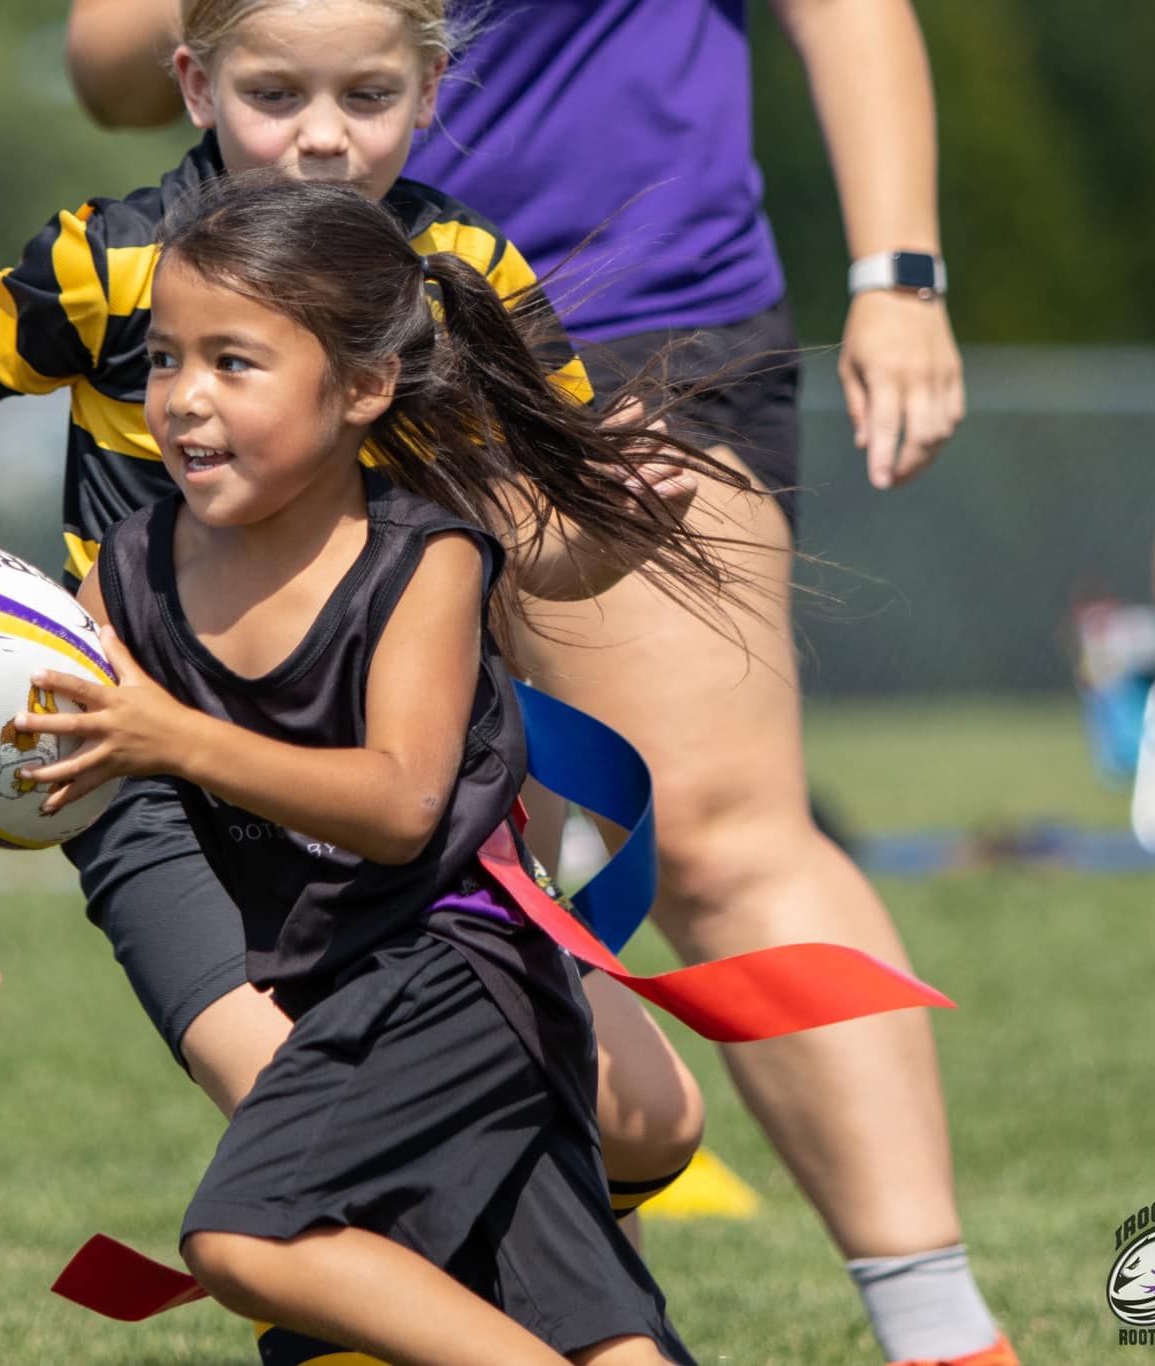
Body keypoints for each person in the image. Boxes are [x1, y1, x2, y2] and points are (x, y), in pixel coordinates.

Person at [64, 4, 1012, 1364]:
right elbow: (106, 70)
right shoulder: (142, 296)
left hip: (622, 315)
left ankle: (943, 1335)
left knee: (713, 826)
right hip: (285, 327)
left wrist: (899, 271)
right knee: (410, 967)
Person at [0, 0, 714, 1247]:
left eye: (365, 98)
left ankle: (558, 1301)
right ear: (195, 87)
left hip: (378, 750)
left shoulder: (460, 275)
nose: (322, 139)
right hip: (135, 760)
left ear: (429, 93)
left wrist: (618, 525)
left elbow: (540, 546)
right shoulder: (116, 260)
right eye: (277, 97)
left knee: (647, 1114)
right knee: (314, 1125)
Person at [20, 171, 712, 1366]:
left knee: (252, 1241)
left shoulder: (425, 556)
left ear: (361, 388)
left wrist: (171, 737)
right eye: (164, 361)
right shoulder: (125, 571)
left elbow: (399, 806)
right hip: (333, 990)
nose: (184, 401)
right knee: (602, 1334)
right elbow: (76, 743)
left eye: (233, 363)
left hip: (458, 978)